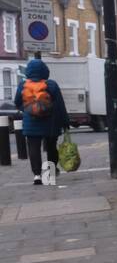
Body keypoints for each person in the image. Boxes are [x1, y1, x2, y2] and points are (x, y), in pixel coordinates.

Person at [15, 55, 71, 185]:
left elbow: (17, 102)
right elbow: (59, 105)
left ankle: (36, 175)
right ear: (45, 71)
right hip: (50, 123)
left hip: (31, 123)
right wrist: (65, 122)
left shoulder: (23, 85)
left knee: (33, 148)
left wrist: (29, 110)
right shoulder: (51, 85)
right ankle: (49, 175)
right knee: (51, 148)